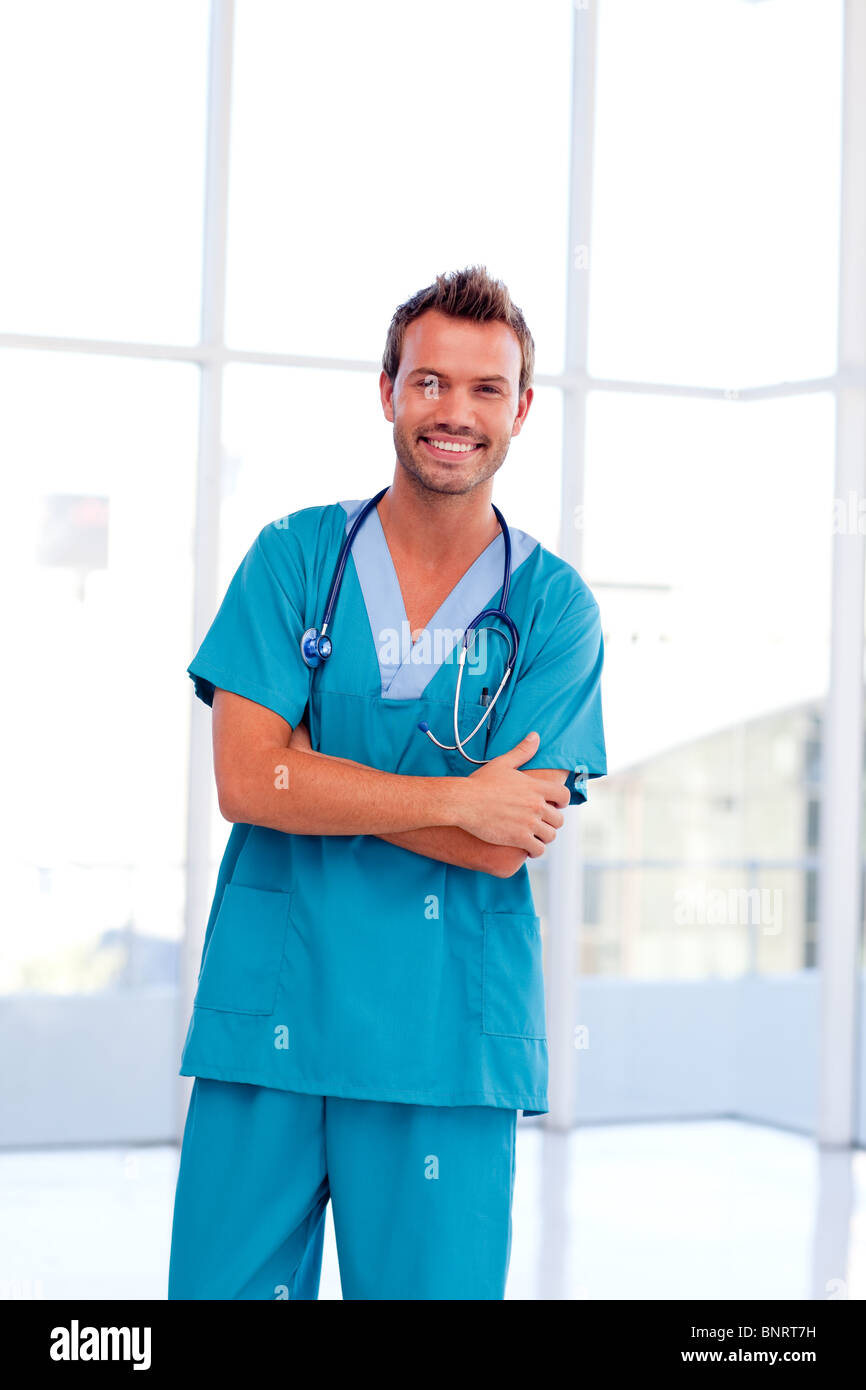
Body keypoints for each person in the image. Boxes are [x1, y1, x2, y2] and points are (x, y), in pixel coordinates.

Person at [167, 264, 607, 1300]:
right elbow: (245, 779)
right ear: (387, 391)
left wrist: (313, 771)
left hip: (442, 1041)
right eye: (428, 382)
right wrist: (456, 795)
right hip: (269, 1023)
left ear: (521, 409)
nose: (452, 411)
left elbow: (510, 839)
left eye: (483, 388)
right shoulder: (295, 557)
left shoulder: (552, 608)